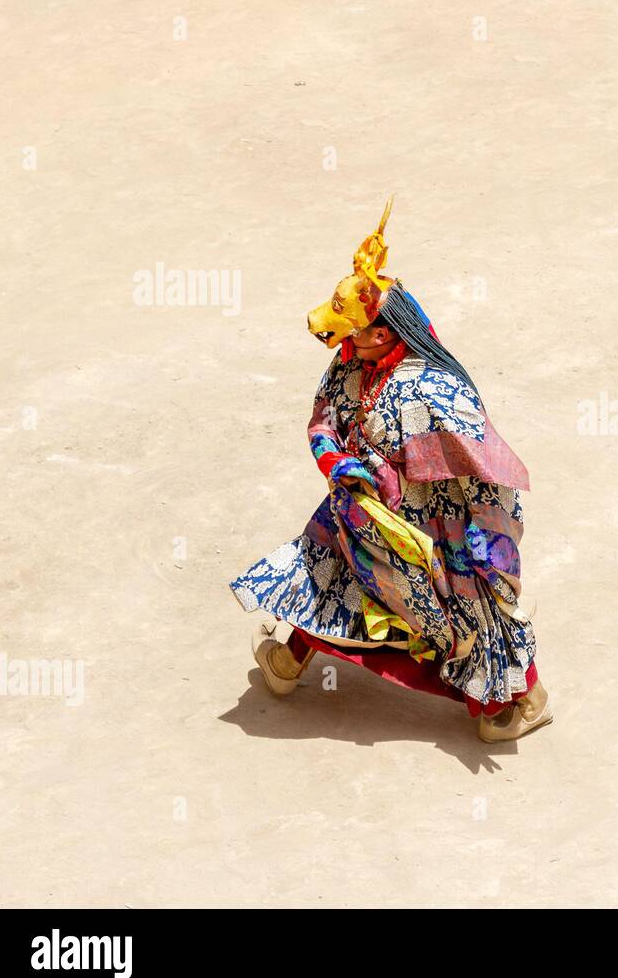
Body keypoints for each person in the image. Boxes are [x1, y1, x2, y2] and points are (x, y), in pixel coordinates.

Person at [230, 199, 551, 741]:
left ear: (391, 331)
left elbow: (478, 475)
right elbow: (323, 420)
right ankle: (285, 663)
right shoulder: (350, 364)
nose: (350, 340)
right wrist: (342, 465)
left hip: (427, 531)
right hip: (361, 512)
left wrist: (476, 543)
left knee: (466, 610)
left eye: (362, 330)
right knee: (326, 566)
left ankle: (519, 702)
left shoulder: (433, 389)